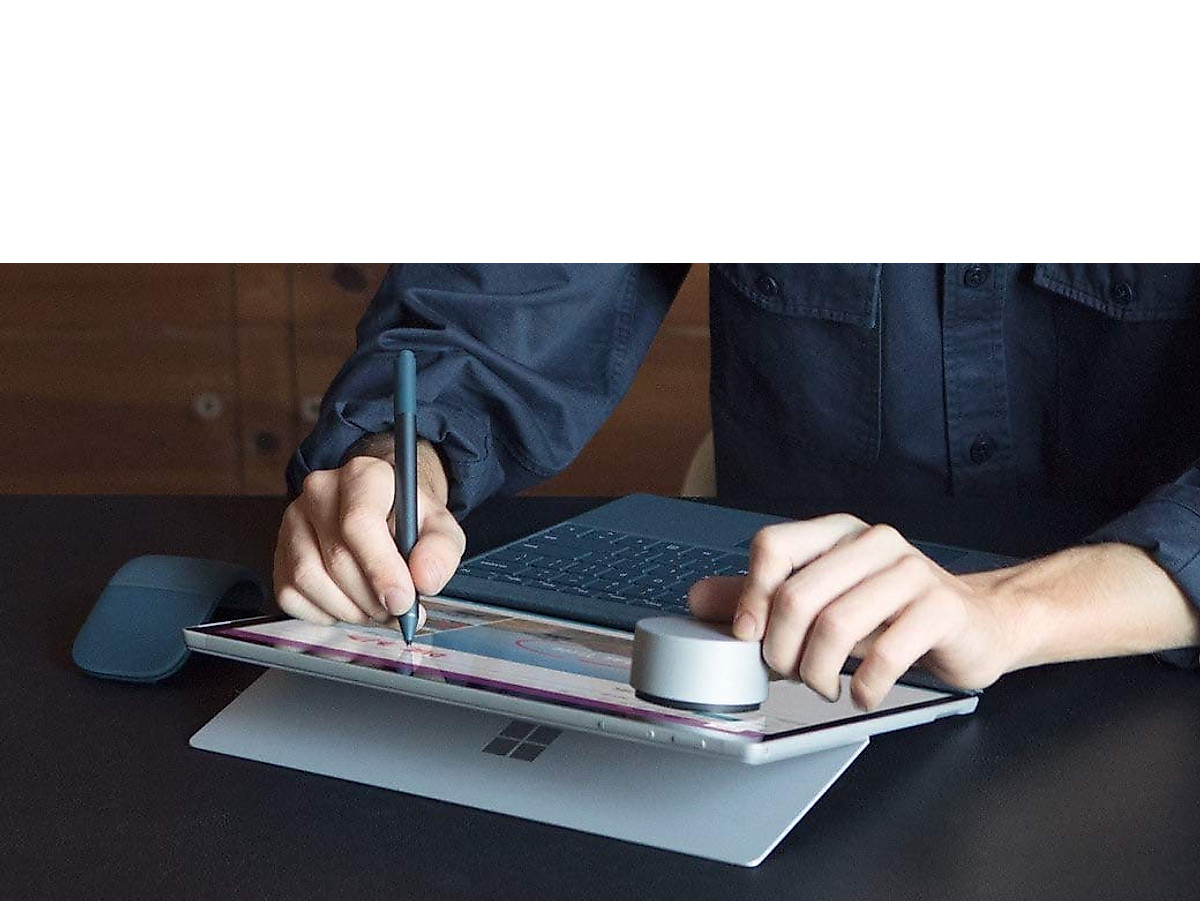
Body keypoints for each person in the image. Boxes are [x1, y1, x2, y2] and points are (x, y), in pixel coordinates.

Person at [276, 264, 1200, 709]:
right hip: (783, 674)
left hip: (1146, 673)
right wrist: (400, 459)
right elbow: (511, 294)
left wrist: (1012, 611)